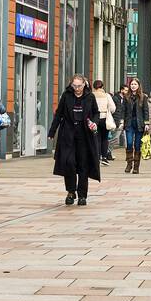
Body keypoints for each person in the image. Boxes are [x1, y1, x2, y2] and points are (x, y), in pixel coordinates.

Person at [48, 74, 101, 206]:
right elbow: (59, 114)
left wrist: (94, 122)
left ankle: (82, 195)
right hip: (68, 134)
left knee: (83, 165)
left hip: (84, 135)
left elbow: (96, 113)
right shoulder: (66, 96)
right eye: (74, 86)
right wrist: (52, 131)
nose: (77, 88)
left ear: (84, 85)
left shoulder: (90, 97)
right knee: (69, 163)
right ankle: (71, 192)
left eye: (79, 86)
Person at [119, 78, 147, 173]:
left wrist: (146, 123)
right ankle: (129, 164)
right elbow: (123, 110)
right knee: (130, 143)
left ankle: (136, 167)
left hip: (139, 123)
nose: (133, 86)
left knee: (138, 145)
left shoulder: (143, 97)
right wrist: (122, 121)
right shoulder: (126, 97)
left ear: (138, 85)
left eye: (135, 84)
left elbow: (145, 111)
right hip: (129, 123)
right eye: (131, 84)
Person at [91, 80, 116, 164]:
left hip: (94, 119)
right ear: (102, 87)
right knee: (105, 138)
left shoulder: (91, 95)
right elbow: (113, 108)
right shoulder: (107, 96)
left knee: (96, 138)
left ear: (94, 87)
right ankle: (104, 157)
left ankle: (97, 157)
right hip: (105, 118)